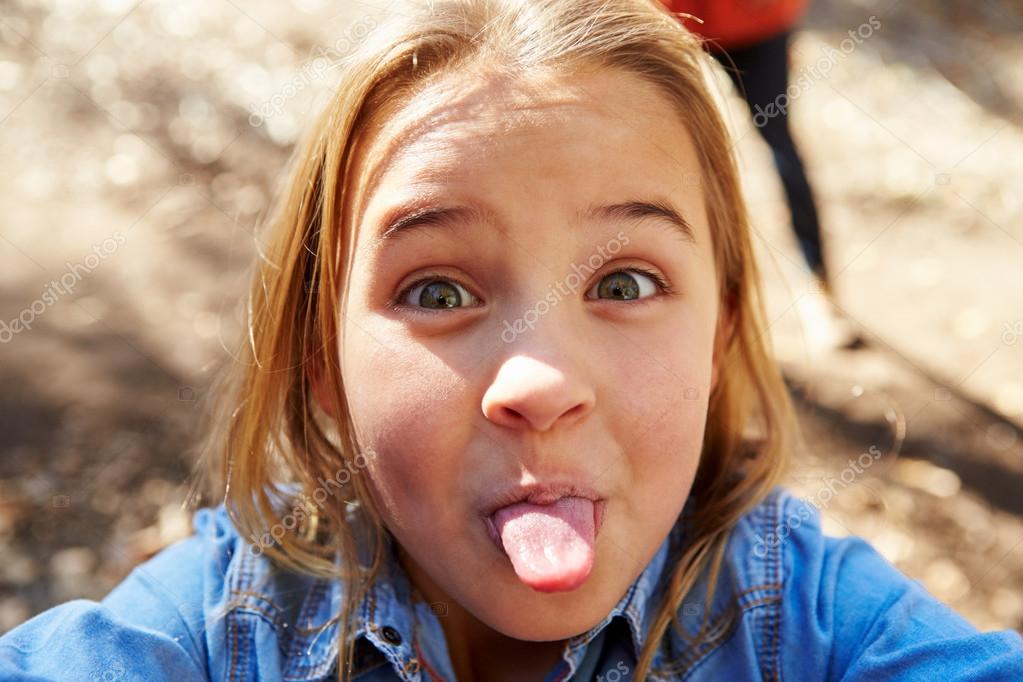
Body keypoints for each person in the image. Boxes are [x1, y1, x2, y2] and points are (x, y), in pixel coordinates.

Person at [1, 1, 1020, 679]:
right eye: (438, 288)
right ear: (322, 359)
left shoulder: (808, 621)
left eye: (624, 281)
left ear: (718, 332)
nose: (539, 381)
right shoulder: (216, 633)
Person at [664, 0, 863, 351]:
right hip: (668, 22)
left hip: (756, 21)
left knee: (779, 146)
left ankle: (818, 293)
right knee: (672, 153)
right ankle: (683, 297)